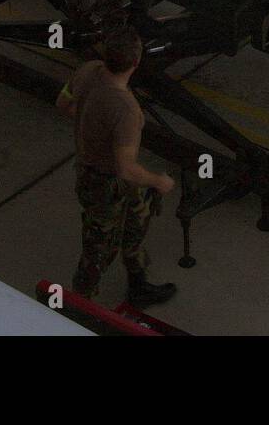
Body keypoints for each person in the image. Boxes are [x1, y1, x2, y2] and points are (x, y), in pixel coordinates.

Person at [55, 25, 177, 307]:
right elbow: (126, 168)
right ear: (136, 63)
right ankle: (78, 305)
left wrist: (92, 126)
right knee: (98, 249)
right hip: (103, 183)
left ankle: (138, 284)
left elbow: (63, 104)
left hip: (102, 174)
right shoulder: (127, 110)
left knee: (137, 221)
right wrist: (159, 181)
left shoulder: (88, 70)